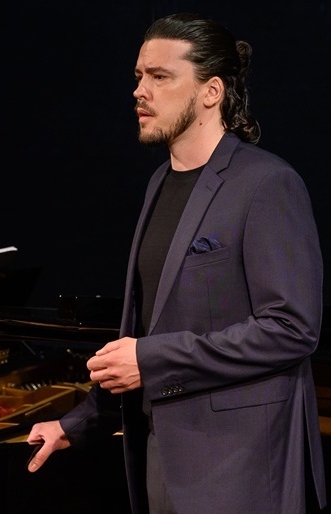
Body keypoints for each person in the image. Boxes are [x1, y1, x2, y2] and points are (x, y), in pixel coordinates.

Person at [26, 12, 326, 514]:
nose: (140, 91)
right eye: (139, 76)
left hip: (242, 469)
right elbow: (149, 327)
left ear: (212, 91)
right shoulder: (159, 183)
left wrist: (150, 360)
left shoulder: (267, 184)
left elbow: (292, 328)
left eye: (160, 76)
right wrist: (79, 422)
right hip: (162, 461)